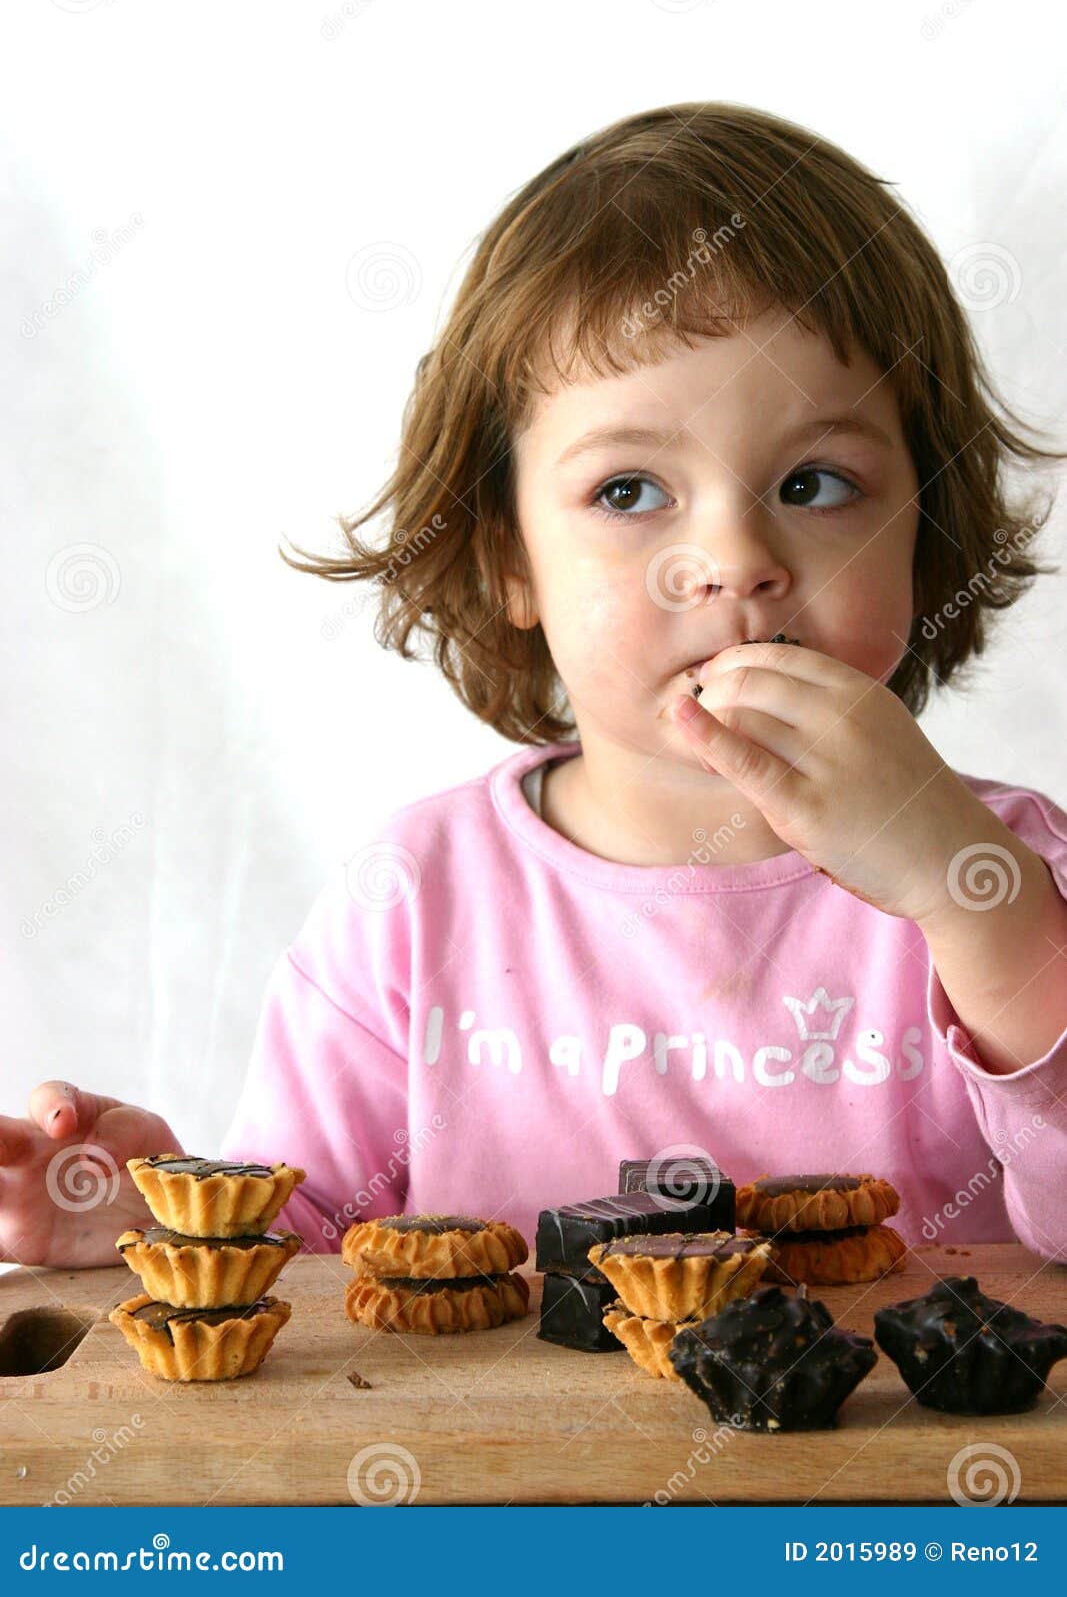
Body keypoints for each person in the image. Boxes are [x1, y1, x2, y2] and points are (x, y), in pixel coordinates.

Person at [4, 102, 1067, 1268]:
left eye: (813, 483)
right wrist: (148, 1223)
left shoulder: (1009, 873)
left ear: (924, 524)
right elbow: (291, 1265)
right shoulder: (413, 903)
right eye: (628, 492)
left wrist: (972, 907)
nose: (733, 559)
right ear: (508, 557)